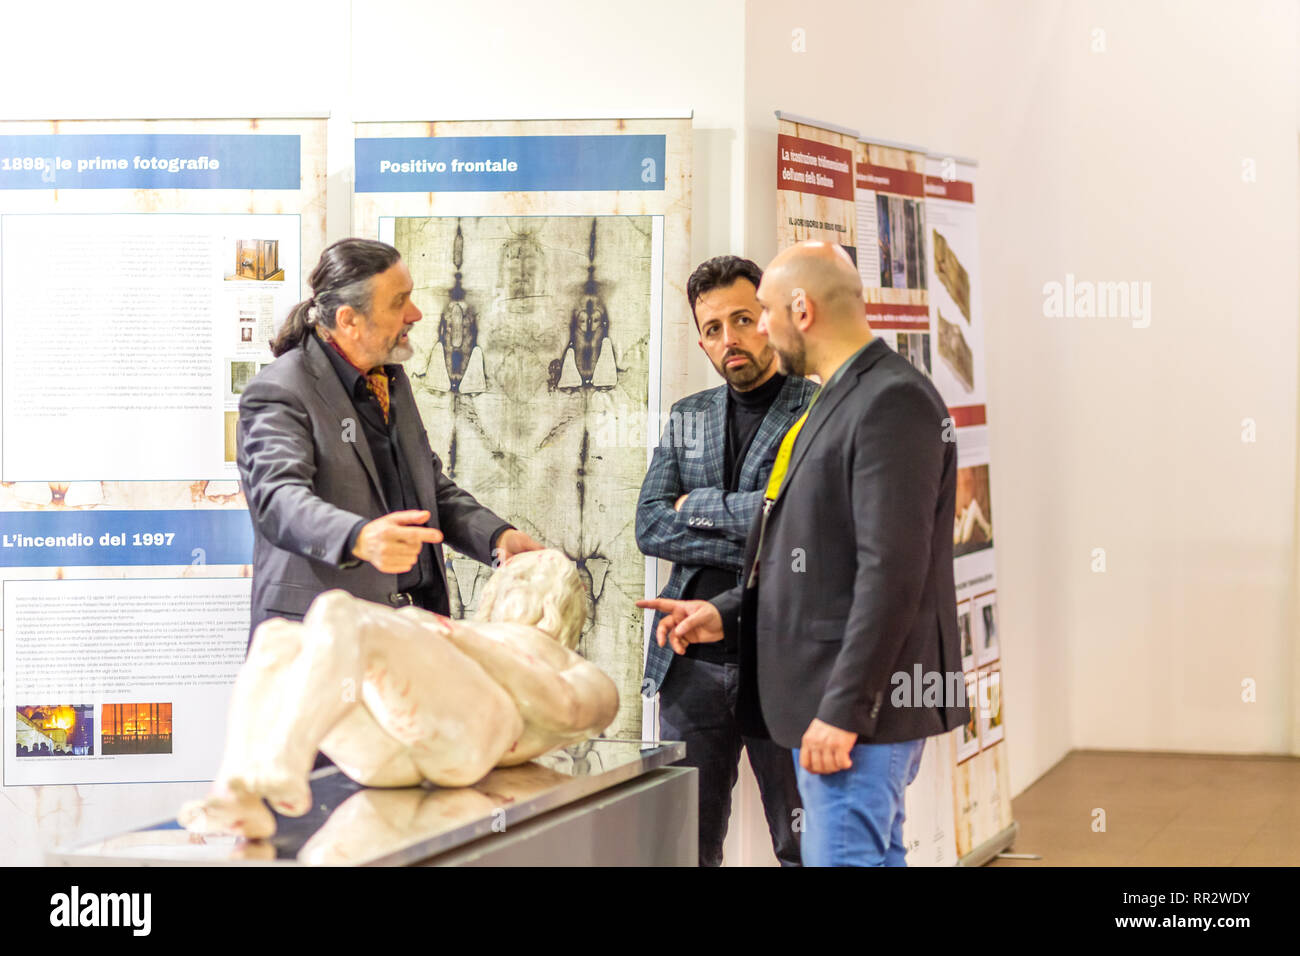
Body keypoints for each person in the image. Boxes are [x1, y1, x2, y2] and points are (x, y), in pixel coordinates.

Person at [638, 241, 968, 867]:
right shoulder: (844, 396)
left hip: (852, 702)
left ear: (801, 310)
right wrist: (725, 612)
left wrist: (843, 709)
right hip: (827, 693)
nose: (756, 329)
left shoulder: (887, 401)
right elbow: (806, 552)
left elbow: (891, 574)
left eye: (759, 312)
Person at [238, 238, 542, 636]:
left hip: (408, 631)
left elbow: (428, 488)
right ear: (349, 320)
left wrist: (497, 535)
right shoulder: (280, 390)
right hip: (321, 641)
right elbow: (278, 500)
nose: (415, 314)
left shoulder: (389, 379)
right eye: (399, 302)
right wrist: (356, 537)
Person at [636, 255, 815, 867]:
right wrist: (758, 518)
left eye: (743, 319)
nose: (728, 339)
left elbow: (805, 533)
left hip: (782, 662)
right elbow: (650, 524)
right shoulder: (689, 416)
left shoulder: (815, 410)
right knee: (689, 846)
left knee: (803, 846)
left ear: (771, 316)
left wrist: (698, 506)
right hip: (689, 667)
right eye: (712, 328)